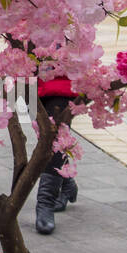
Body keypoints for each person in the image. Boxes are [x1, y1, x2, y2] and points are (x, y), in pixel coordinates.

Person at [34, 78, 78, 235]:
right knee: (43, 135)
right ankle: (67, 182)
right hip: (30, 82)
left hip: (61, 83)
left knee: (54, 137)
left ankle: (45, 203)